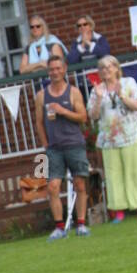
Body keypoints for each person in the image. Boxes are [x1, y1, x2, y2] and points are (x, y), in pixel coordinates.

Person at [87, 56, 137, 222]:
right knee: (113, 174)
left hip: (130, 134)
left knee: (135, 171)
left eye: (109, 67)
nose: (106, 70)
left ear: (117, 68)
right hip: (109, 139)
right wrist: (100, 98)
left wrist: (122, 96)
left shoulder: (128, 82)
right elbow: (92, 115)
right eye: (102, 68)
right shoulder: (96, 90)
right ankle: (119, 211)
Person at [35, 54, 89, 239]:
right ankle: (59, 227)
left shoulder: (73, 92)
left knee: (80, 184)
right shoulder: (42, 95)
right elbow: (39, 123)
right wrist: (45, 143)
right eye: (51, 69)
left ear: (64, 69)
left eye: (58, 68)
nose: (55, 72)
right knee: (53, 186)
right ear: (48, 72)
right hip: (54, 148)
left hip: (74, 143)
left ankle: (81, 224)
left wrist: (63, 111)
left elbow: (83, 117)